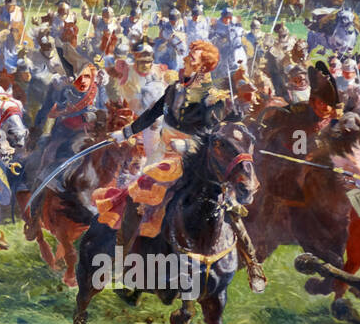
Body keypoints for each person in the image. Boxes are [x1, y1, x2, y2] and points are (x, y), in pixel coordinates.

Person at [105, 40, 267, 293]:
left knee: (224, 204)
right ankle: (123, 259)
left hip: (196, 158)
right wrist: (124, 133)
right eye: (190, 54)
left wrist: (189, 146)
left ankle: (252, 261)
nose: (188, 58)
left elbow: (215, 134)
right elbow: (152, 114)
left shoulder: (213, 97)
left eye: (194, 56)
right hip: (162, 152)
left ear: (204, 65)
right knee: (136, 195)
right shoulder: (174, 87)